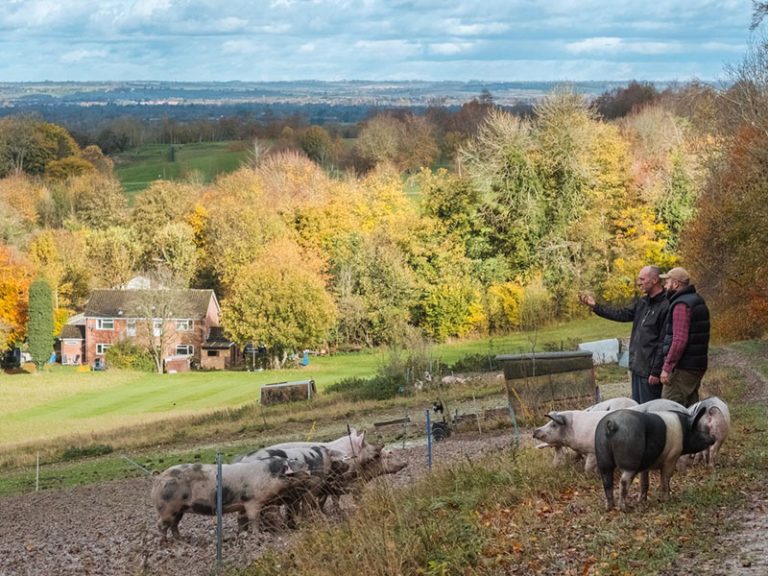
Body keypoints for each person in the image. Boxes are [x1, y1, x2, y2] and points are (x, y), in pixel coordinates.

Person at [578, 266, 669, 403]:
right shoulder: (642, 303)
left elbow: (663, 342)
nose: (639, 283)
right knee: (637, 410)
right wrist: (595, 306)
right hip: (637, 367)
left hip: (650, 372)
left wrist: (656, 371)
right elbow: (621, 314)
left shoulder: (666, 306)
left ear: (655, 280)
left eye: (642, 279)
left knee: (651, 412)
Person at [659, 267, 710, 407]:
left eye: (667, 281)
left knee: (670, 407)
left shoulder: (681, 304)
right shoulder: (696, 300)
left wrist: (667, 367)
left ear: (676, 284)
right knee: (691, 407)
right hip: (696, 364)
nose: (665, 285)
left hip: (683, 367)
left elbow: (679, 340)